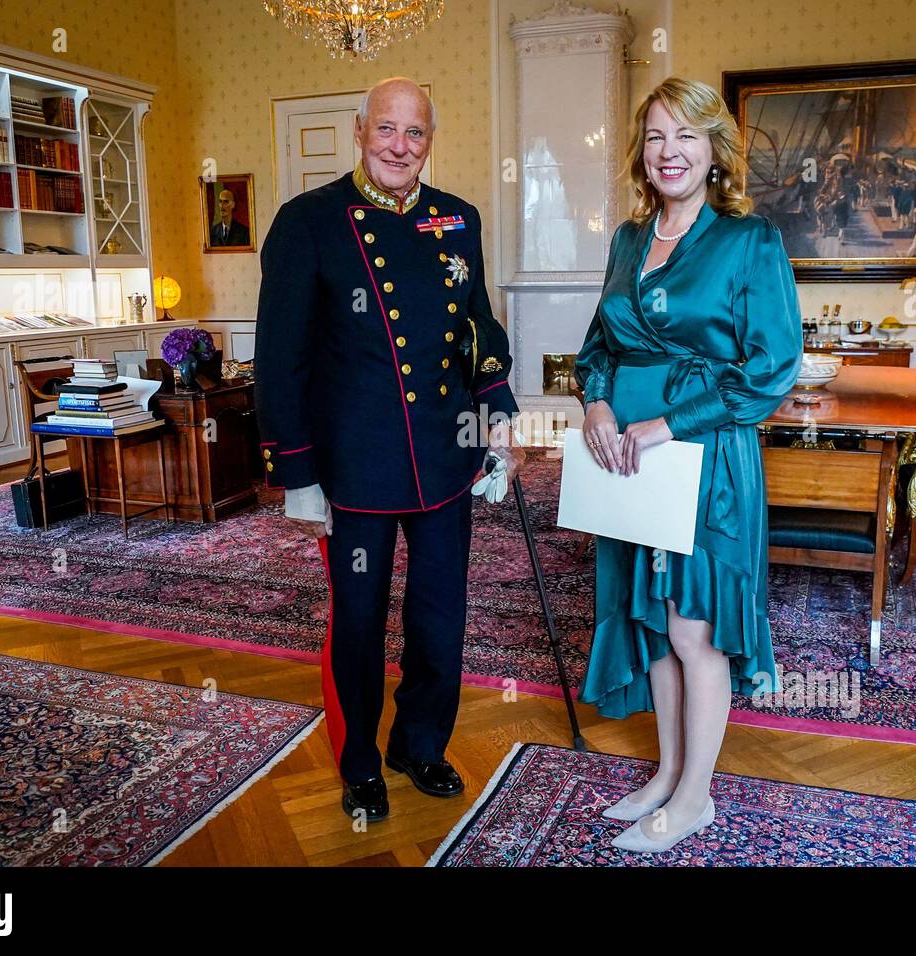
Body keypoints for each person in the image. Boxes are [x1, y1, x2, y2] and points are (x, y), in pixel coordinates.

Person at [254, 77, 520, 823]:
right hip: (354, 469)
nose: (401, 147)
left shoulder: (457, 218)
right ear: (358, 130)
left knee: (439, 616)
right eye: (387, 130)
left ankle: (420, 744)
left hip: (443, 460)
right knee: (361, 623)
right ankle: (359, 761)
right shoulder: (309, 222)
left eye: (416, 133)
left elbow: (479, 332)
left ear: (431, 139)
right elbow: (281, 358)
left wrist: (495, 418)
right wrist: (297, 472)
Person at [574, 77, 802, 854]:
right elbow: (597, 348)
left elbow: (774, 367)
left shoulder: (749, 241)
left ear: (715, 152)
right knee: (658, 625)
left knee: (693, 630)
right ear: (641, 154)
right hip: (630, 466)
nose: (669, 152)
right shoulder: (628, 241)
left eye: (687, 137)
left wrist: (672, 422)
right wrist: (599, 404)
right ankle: (670, 774)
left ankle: (697, 797)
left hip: (706, 463)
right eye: (655, 137)